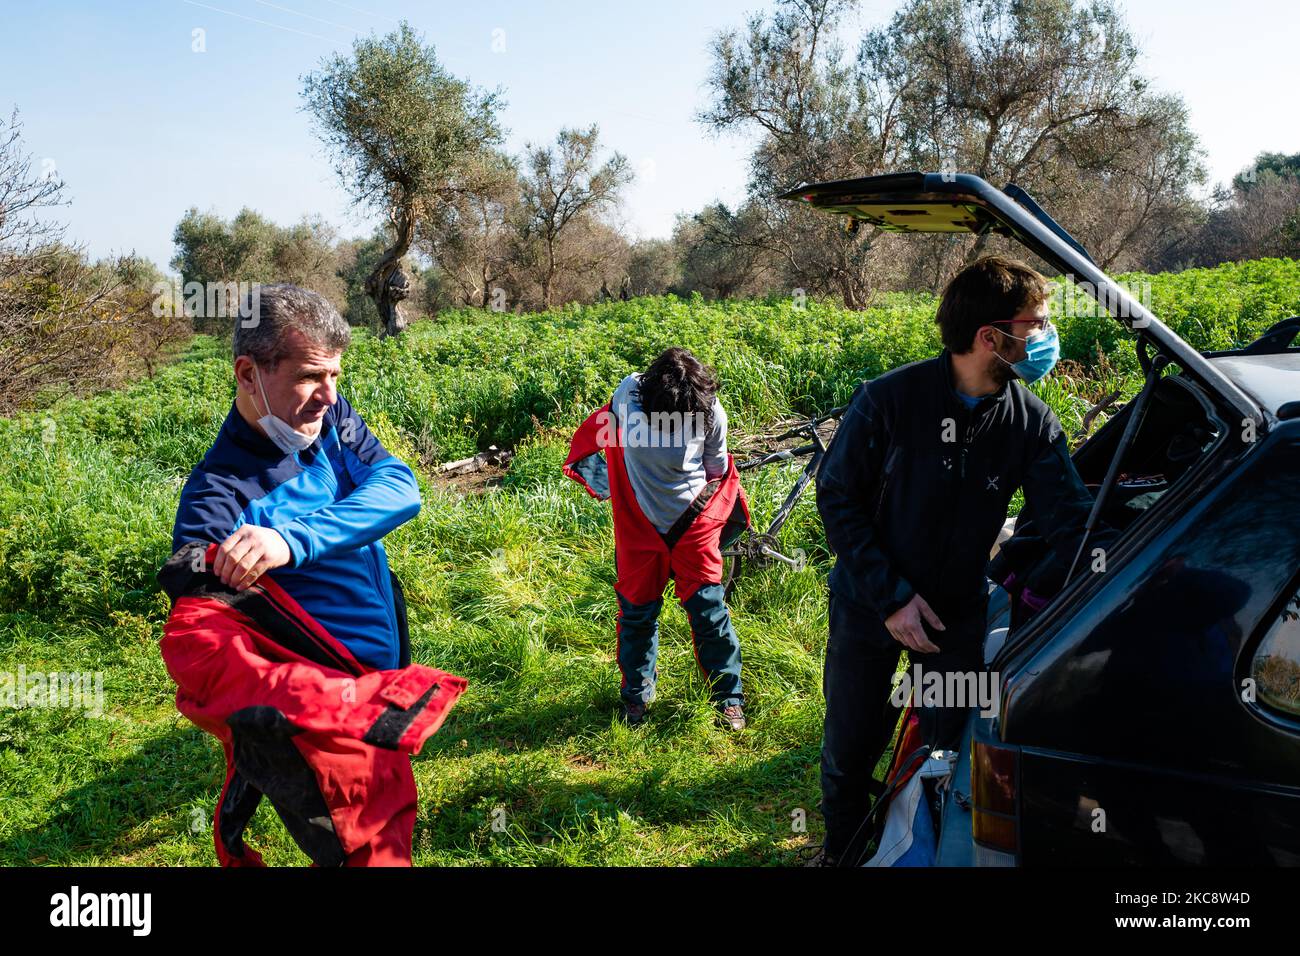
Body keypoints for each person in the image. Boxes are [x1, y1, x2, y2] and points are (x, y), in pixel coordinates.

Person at [162, 283, 464, 866]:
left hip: (375, 674)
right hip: (325, 710)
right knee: (369, 848)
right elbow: (198, 643)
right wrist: (328, 702)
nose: (329, 395)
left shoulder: (327, 420)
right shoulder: (215, 499)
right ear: (248, 374)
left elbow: (399, 488)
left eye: (335, 377)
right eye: (310, 376)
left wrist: (291, 540)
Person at [811, 256, 1097, 866]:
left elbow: (1071, 521)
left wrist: (1123, 577)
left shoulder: (1030, 422)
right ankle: (843, 853)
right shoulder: (888, 401)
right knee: (850, 748)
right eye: (1036, 323)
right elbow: (837, 496)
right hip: (870, 604)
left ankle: (920, 847)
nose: (1046, 335)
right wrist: (890, 596)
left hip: (956, 613)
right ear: (990, 337)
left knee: (946, 746)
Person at [564, 347, 750, 730]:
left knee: (709, 612)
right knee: (637, 614)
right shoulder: (629, 394)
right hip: (640, 525)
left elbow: (715, 470)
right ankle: (637, 697)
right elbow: (608, 434)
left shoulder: (709, 411)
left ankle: (729, 699)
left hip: (692, 521)